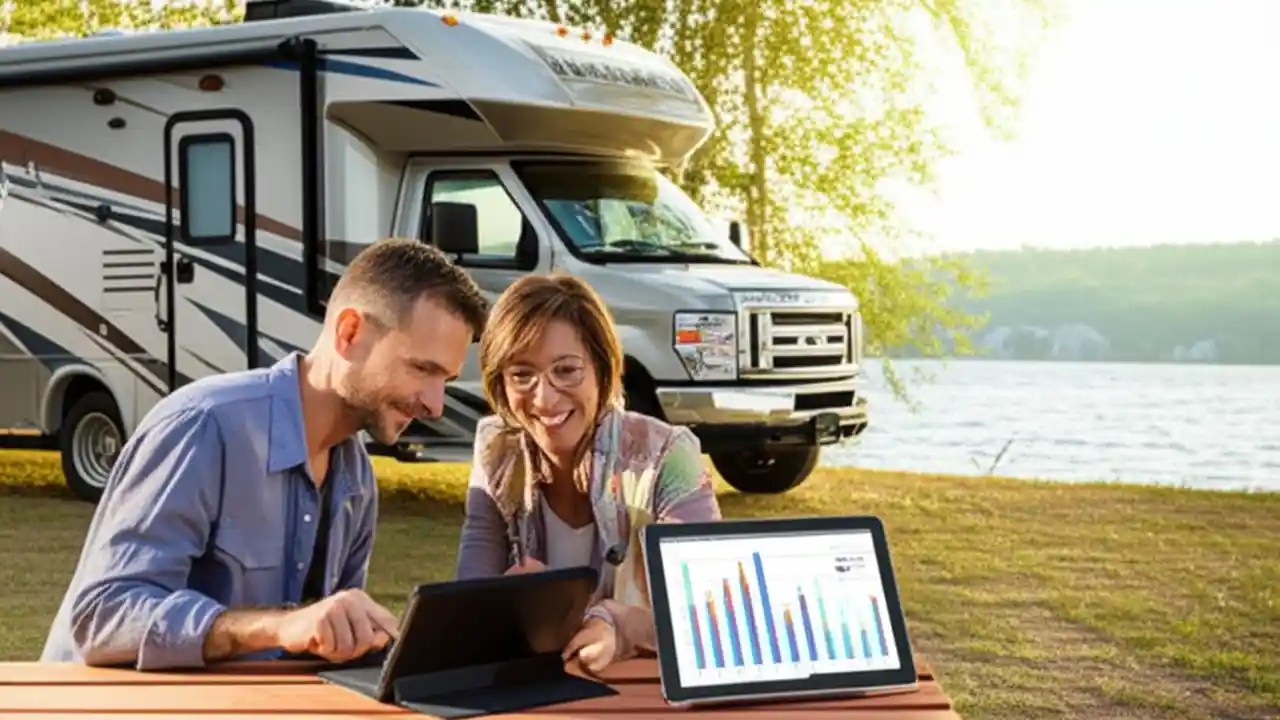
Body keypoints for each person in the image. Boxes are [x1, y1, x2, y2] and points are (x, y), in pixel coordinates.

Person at [41, 239, 488, 670]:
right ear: (350, 332)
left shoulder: (356, 479)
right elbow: (102, 615)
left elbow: (325, 645)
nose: (435, 405)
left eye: (445, 380)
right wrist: (275, 628)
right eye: (422, 369)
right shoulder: (203, 426)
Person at [454, 273, 721, 675]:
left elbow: (708, 616)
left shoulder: (668, 454)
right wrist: (510, 600)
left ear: (602, 369)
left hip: (645, 696)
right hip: (539, 696)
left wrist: (617, 625)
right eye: (521, 374)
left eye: (566, 370)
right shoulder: (497, 449)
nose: (543, 398)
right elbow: (465, 605)